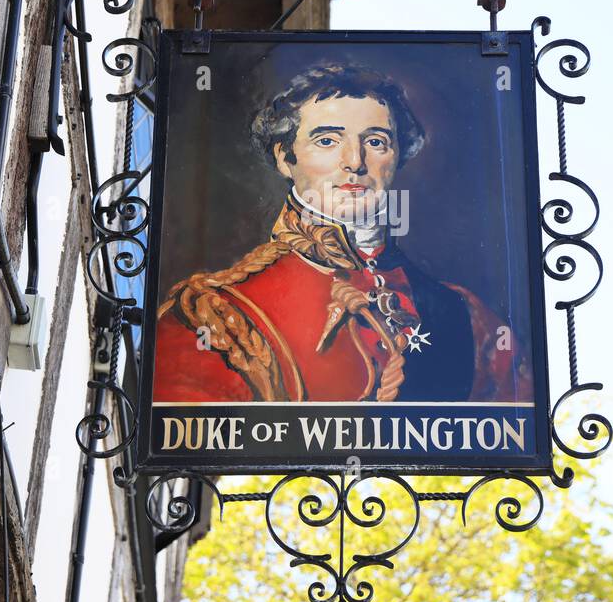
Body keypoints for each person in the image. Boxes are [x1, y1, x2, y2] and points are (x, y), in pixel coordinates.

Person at [152, 63, 532, 403]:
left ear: (397, 157)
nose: (355, 162)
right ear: (286, 158)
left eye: (376, 142)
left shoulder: (466, 317)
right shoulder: (217, 313)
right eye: (328, 141)